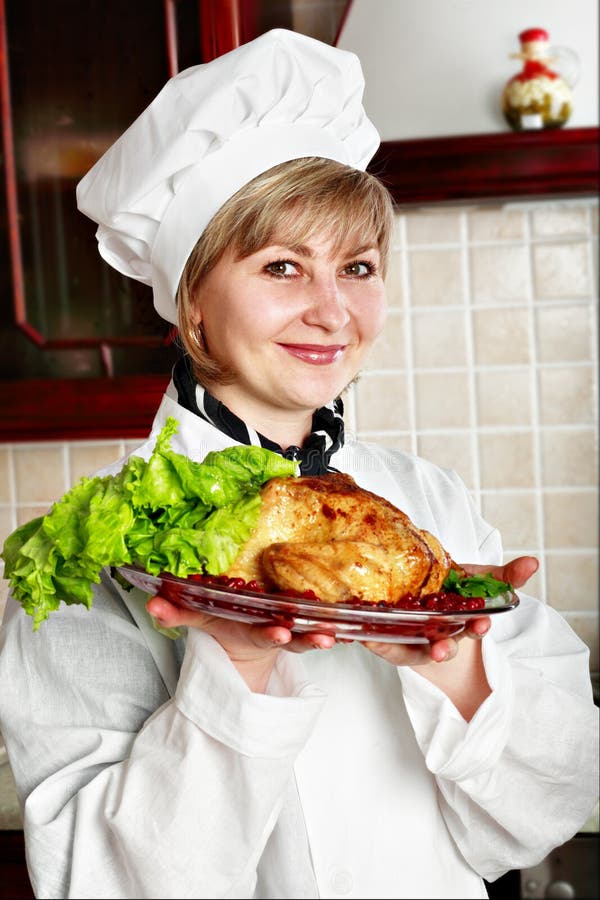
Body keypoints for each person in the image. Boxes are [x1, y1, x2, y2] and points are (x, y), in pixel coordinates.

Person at [0, 29, 597, 900]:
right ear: (192, 300)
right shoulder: (100, 555)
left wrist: (449, 660)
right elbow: (96, 884)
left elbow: (549, 809)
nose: (332, 310)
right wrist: (234, 663)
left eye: (357, 266)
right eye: (282, 266)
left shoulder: (425, 506)